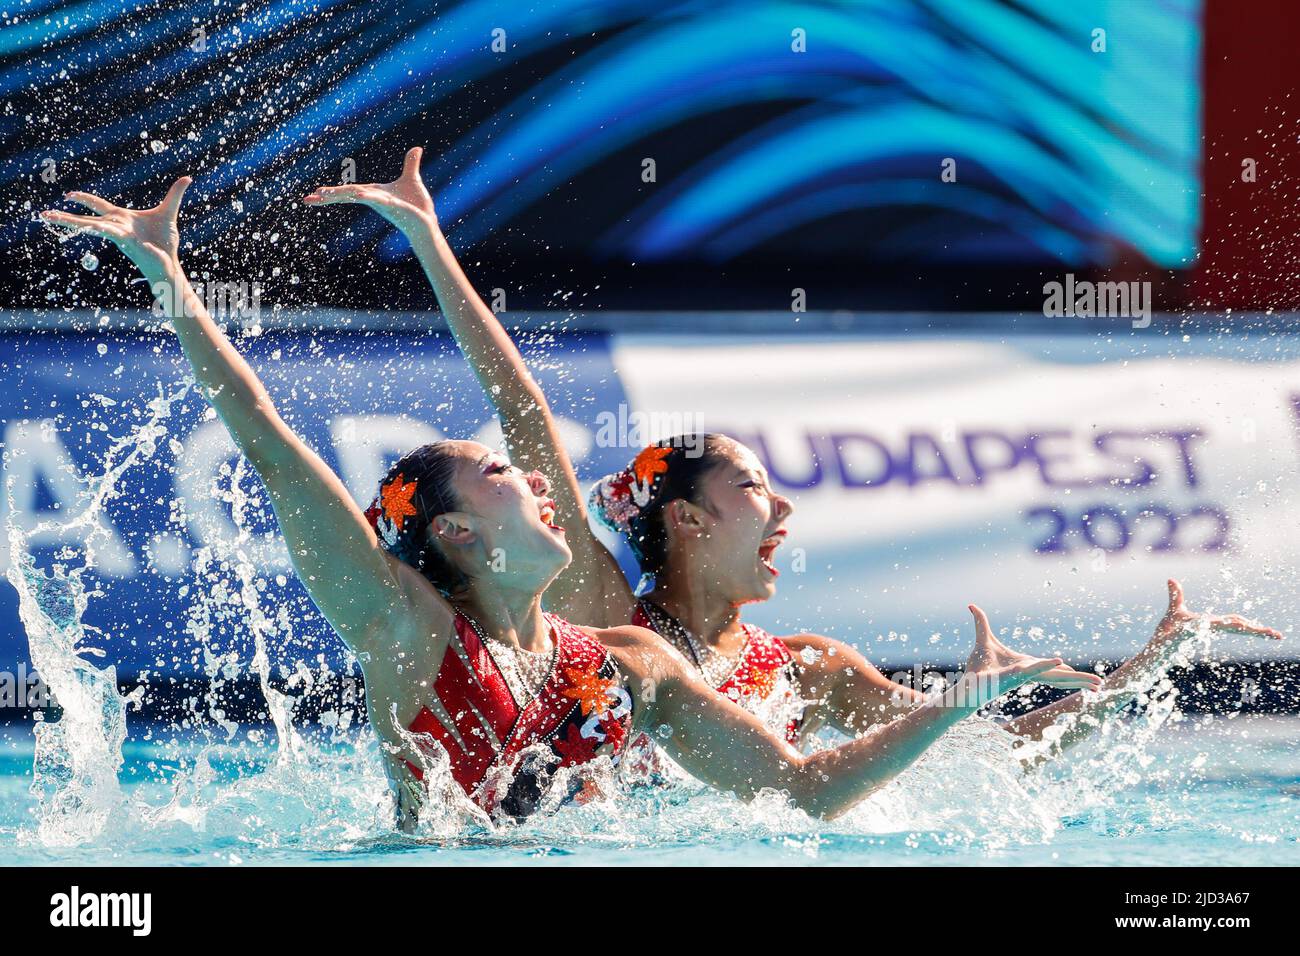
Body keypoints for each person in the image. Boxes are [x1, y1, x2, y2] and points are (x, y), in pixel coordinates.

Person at [41, 178, 1100, 829]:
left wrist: (966, 700)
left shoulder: (629, 663)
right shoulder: (407, 627)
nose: (538, 478)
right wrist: (169, 278)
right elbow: (273, 446)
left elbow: (805, 791)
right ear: (455, 531)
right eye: (503, 477)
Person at [302, 147, 1283, 766]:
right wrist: (432, 240)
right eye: (754, 486)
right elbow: (523, 409)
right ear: (684, 518)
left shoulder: (803, 668)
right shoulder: (604, 619)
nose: (784, 509)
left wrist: (1138, 677)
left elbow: (985, 752)